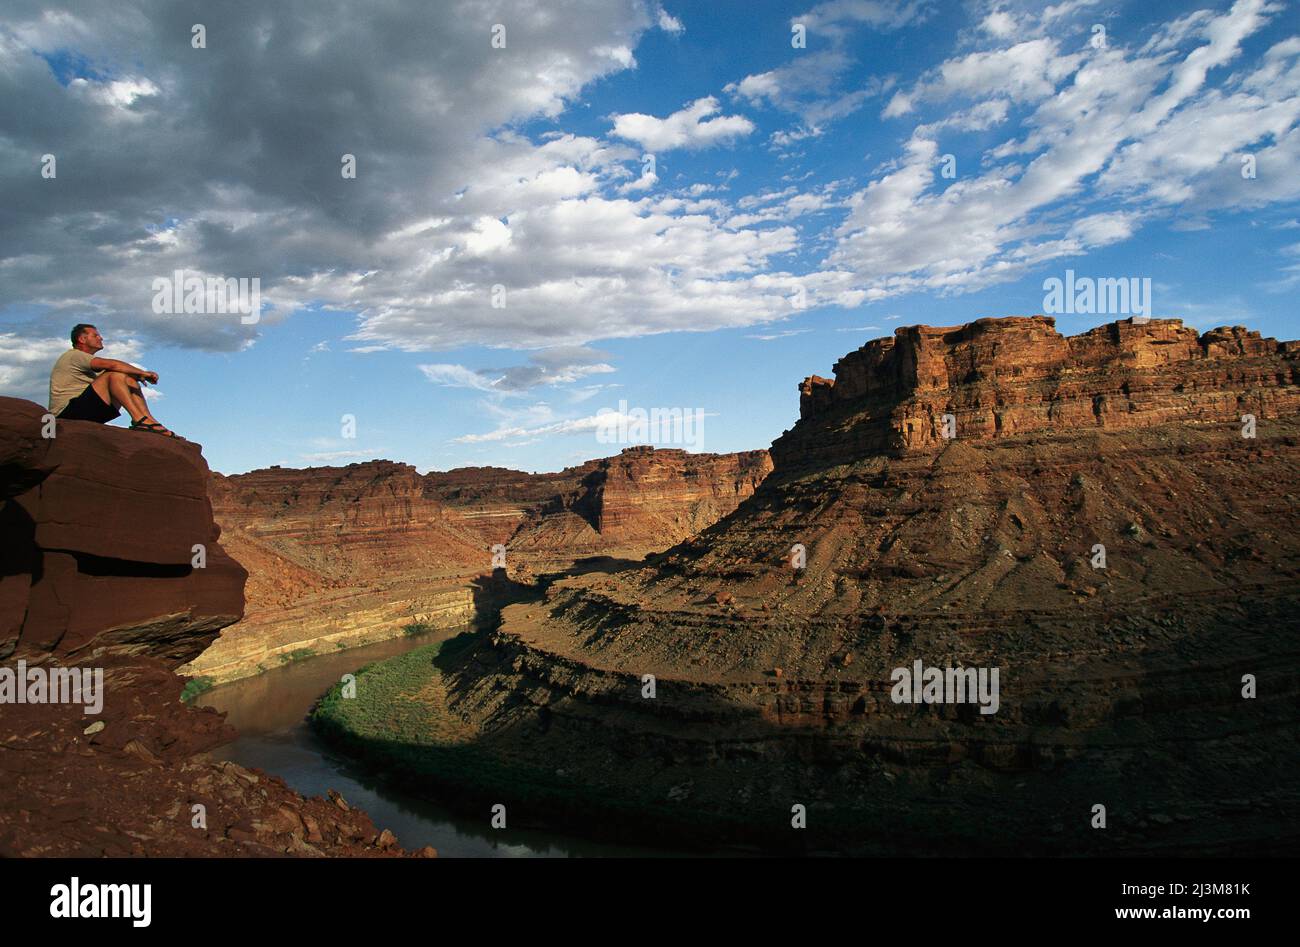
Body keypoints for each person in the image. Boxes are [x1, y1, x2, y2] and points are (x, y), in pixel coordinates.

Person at [48, 324, 180, 438]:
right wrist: (142, 373)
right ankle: (139, 419)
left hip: (85, 411)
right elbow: (112, 365)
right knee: (113, 375)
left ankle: (149, 421)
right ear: (82, 339)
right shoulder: (73, 355)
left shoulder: (84, 361)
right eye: (95, 335)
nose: (101, 338)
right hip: (67, 415)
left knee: (128, 379)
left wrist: (135, 376)